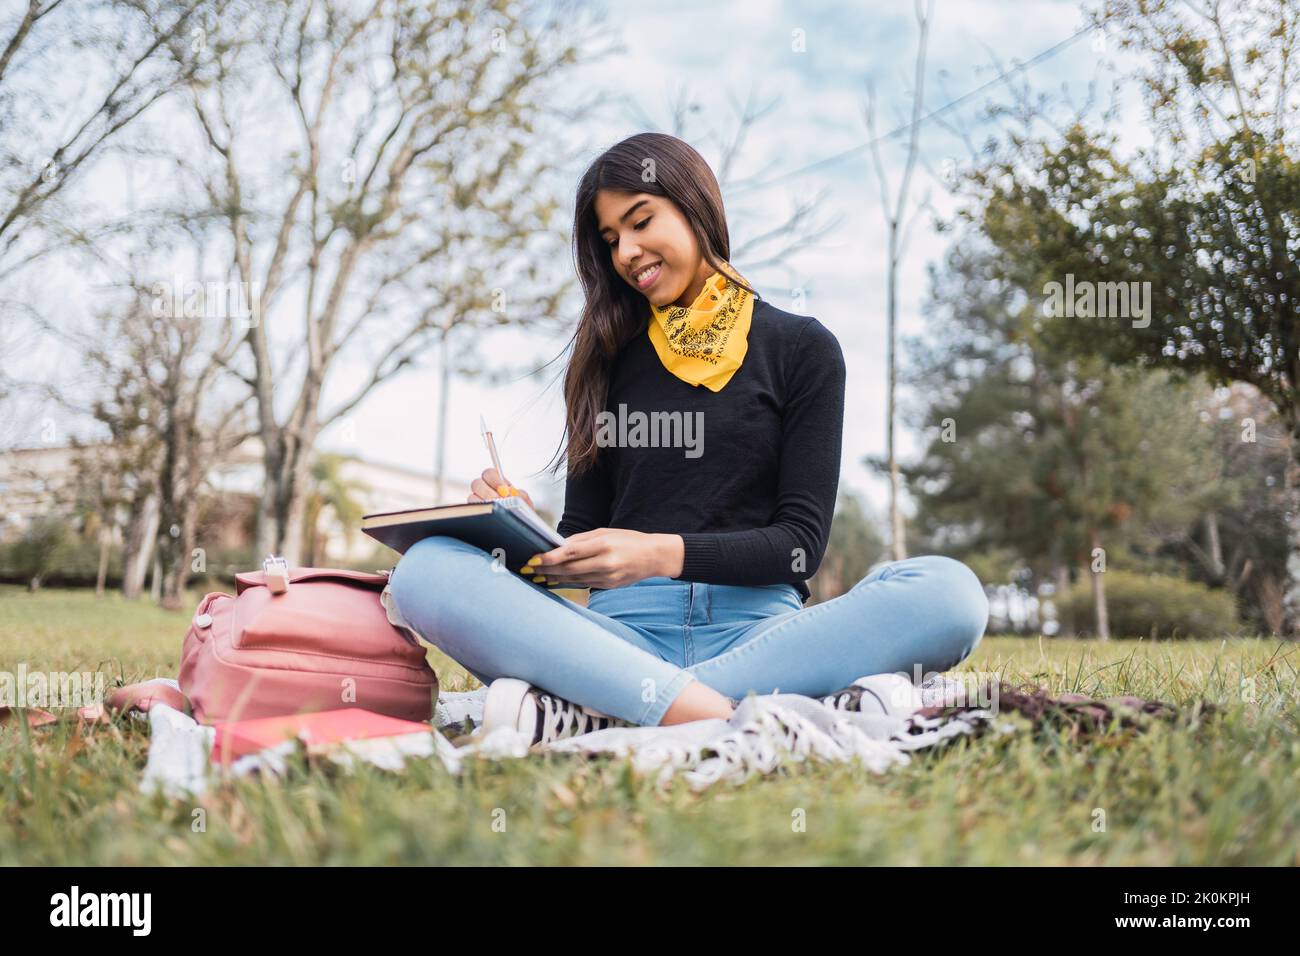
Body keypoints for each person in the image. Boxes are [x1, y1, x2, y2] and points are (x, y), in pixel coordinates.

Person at [387, 131, 988, 746]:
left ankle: (609, 706)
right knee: (426, 571)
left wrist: (655, 553)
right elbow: (580, 539)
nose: (626, 252)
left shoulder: (802, 350)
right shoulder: (603, 365)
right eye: (610, 239)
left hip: (762, 638)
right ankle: (744, 709)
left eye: (640, 221)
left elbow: (799, 546)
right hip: (617, 638)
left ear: (696, 205)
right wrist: (517, 531)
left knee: (949, 594)